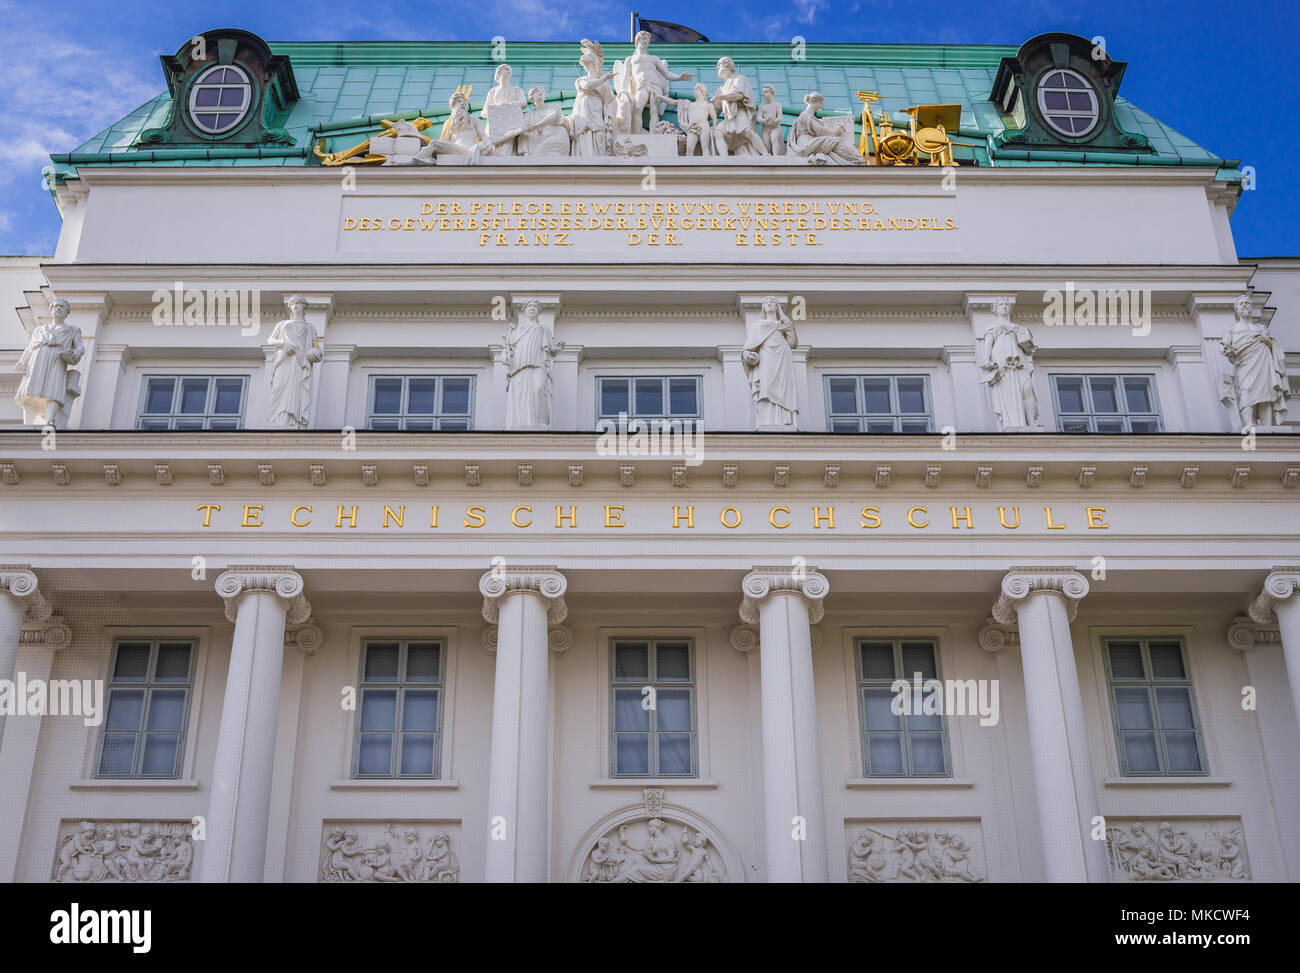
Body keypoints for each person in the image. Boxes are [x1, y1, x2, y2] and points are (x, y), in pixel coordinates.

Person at [13, 297, 83, 426]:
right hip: (37, 360)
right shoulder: (40, 329)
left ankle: (50, 421)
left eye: (61, 307)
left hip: (57, 360)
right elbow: (30, 347)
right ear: (51, 310)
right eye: (55, 306)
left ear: (67, 312)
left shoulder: (72, 330)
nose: (58, 308)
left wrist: (75, 354)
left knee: (53, 390)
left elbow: (80, 347)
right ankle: (27, 424)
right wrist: (22, 362)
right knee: (30, 391)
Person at [1221, 293, 1288, 428]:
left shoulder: (1261, 328)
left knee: (1266, 394)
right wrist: (1229, 351)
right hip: (1244, 363)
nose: (1245, 306)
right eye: (1242, 304)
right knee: (1246, 390)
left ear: (1251, 307)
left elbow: (1273, 345)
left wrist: (1268, 341)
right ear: (1237, 309)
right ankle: (1248, 423)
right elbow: (1224, 347)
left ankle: (1267, 426)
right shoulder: (1232, 329)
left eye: (1247, 303)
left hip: (1263, 363)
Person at [613, 30, 694, 133]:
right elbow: (625, 77)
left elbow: (666, 74)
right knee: (637, 108)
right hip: (641, 85)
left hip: (656, 84)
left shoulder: (654, 58)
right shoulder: (630, 59)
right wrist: (623, 91)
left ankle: (653, 135)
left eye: (647, 38)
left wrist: (679, 77)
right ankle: (636, 135)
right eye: (643, 38)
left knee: (654, 111)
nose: (646, 40)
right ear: (637, 40)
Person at [978, 297, 1039, 429]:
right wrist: (987, 360)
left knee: (1027, 388)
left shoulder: (1019, 328)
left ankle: (1031, 423)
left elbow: (1028, 350)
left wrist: (1028, 344)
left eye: (1006, 304)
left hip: (1020, 361)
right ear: (995, 309)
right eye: (1000, 305)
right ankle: (1013, 424)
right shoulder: (992, 328)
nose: (1004, 307)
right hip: (1002, 362)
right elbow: (988, 346)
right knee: (1009, 391)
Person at [267, 293, 324, 428]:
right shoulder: (282, 324)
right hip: (284, 358)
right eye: (292, 304)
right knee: (279, 387)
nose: (295, 306)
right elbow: (270, 340)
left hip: (300, 362)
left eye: (297, 303)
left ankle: (294, 422)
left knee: (297, 389)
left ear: (304, 306)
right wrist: (283, 343)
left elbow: (317, 350)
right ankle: (277, 420)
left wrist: (314, 353)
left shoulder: (309, 327)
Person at [505, 299, 563, 429]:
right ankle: (523, 423)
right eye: (529, 306)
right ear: (525, 310)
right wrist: (506, 357)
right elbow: (509, 350)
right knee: (521, 394)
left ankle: (541, 422)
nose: (532, 308)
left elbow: (551, 349)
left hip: (539, 362)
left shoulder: (543, 328)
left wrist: (558, 348)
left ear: (538, 311)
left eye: (535, 307)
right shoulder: (517, 330)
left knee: (539, 389)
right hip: (520, 364)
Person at [743, 296, 798, 427]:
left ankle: (785, 419)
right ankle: (766, 421)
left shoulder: (783, 324)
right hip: (766, 355)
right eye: (766, 302)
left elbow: (793, 343)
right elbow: (748, 346)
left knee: (784, 389)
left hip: (783, 355)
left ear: (777, 306)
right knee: (765, 386)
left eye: (772, 302)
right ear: (763, 307)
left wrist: (788, 325)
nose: (769, 303)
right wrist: (747, 355)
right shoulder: (757, 325)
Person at [413, 90, 493, 164]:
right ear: (453, 106)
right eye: (459, 102)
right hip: (456, 149)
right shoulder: (448, 123)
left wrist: (489, 146)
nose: (462, 104)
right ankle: (421, 159)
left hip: (469, 149)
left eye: (464, 102)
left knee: (434, 143)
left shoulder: (474, 120)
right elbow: (444, 140)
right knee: (434, 144)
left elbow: (484, 136)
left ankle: (418, 159)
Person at [787, 91, 864, 165]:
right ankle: (856, 159)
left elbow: (822, 125)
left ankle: (855, 159)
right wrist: (835, 132)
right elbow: (819, 129)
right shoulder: (806, 115)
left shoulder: (810, 117)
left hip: (811, 140)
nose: (821, 106)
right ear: (815, 102)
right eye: (821, 103)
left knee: (835, 142)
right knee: (836, 141)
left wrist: (849, 120)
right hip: (806, 142)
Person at [710, 57, 767, 157]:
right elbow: (715, 110)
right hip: (728, 118)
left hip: (739, 112)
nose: (717, 69)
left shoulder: (739, 78)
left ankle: (766, 154)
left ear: (726, 66)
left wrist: (721, 97)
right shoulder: (720, 89)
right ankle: (724, 160)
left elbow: (738, 95)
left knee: (748, 132)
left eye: (719, 66)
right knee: (718, 133)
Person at [572, 40, 616, 156]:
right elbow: (587, 86)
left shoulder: (605, 84)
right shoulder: (582, 80)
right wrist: (604, 79)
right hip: (585, 106)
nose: (587, 66)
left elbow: (611, 100)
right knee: (585, 132)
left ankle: (600, 159)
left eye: (589, 63)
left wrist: (608, 115)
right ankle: (586, 158)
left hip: (597, 108)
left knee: (600, 134)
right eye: (586, 64)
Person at [655, 83, 717, 157]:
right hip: (692, 127)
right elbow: (673, 102)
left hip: (703, 125)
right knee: (689, 148)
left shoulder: (708, 105)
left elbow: (714, 119)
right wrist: (660, 96)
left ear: (702, 91)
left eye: (695, 89)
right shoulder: (688, 104)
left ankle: (707, 164)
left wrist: (715, 126)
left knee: (705, 146)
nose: (693, 91)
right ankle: (690, 167)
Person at [480, 63, 527, 154]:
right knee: (493, 150)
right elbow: (484, 112)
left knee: (506, 150)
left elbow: (523, 103)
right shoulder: (492, 91)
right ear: (499, 72)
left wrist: (506, 106)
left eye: (510, 69)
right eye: (506, 68)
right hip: (494, 125)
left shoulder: (516, 90)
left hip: (510, 123)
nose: (509, 71)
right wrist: (496, 109)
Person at [515, 86, 570, 156]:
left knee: (540, 153)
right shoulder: (528, 116)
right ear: (532, 97)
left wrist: (535, 126)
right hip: (542, 140)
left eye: (542, 91)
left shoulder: (553, 106)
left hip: (558, 137)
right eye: (537, 91)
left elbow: (552, 117)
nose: (540, 92)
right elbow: (520, 128)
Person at [756, 84, 786, 155]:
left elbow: (780, 116)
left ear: (772, 93)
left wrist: (774, 121)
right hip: (766, 129)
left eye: (766, 92)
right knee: (766, 144)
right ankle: (769, 160)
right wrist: (765, 121)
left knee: (774, 139)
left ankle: (775, 157)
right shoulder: (762, 106)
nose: (764, 94)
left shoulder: (777, 104)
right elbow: (758, 118)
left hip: (775, 127)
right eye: (763, 92)